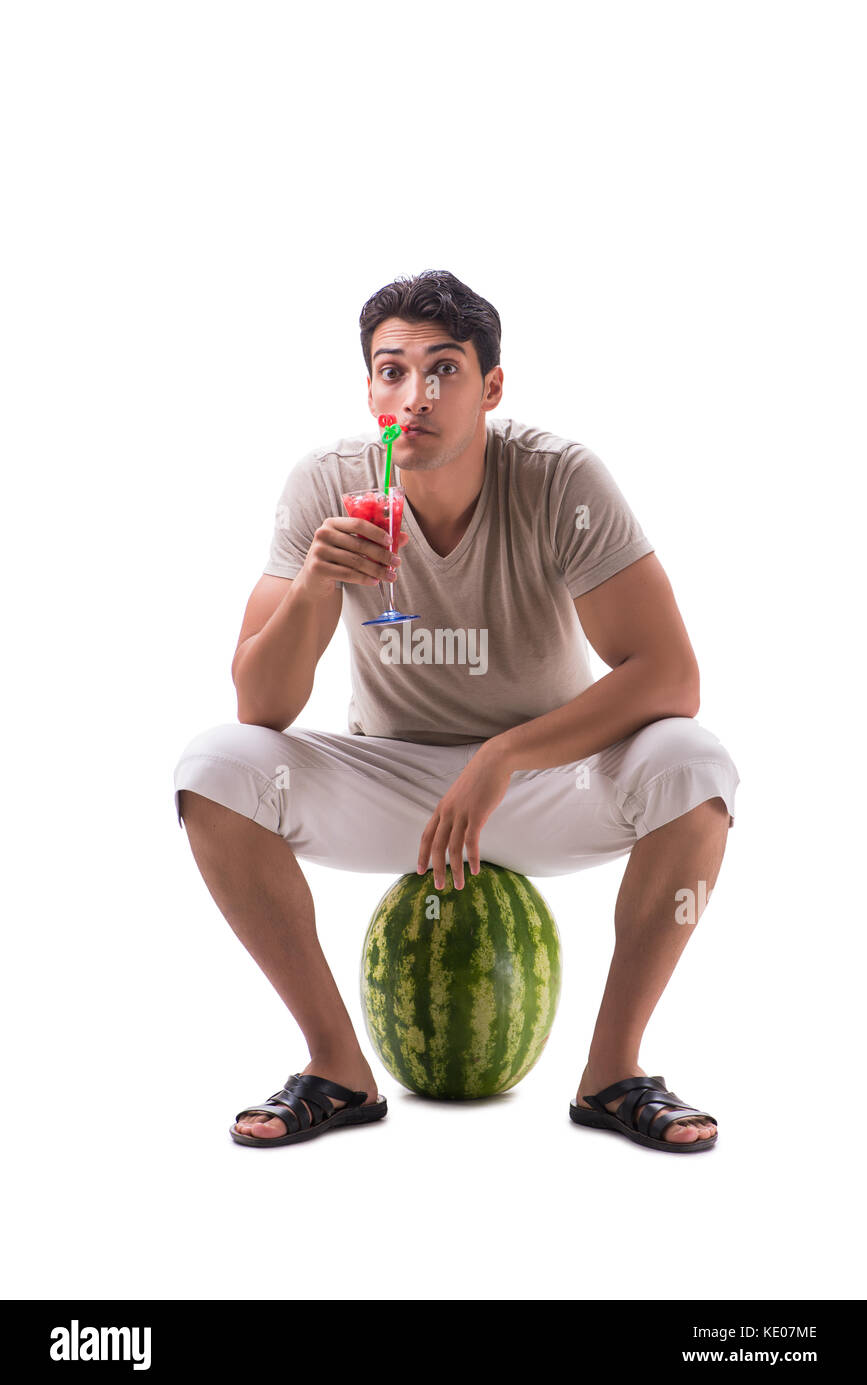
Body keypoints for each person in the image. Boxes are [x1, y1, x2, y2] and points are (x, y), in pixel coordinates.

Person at [173, 269, 740, 1154]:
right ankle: (336, 1068)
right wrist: (318, 583)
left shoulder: (557, 479)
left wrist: (505, 756)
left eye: (444, 370)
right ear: (368, 387)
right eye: (391, 370)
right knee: (213, 766)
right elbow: (262, 705)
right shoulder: (328, 485)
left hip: (542, 780)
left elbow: (668, 674)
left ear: (492, 387)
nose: (417, 395)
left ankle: (613, 1073)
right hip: (395, 785)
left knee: (693, 762)